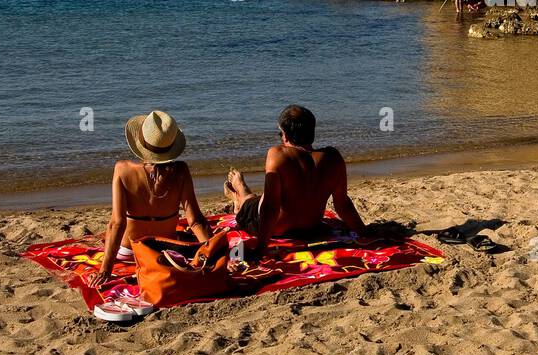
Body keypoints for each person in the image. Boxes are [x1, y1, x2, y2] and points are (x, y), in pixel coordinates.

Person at [89, 110, 210, 287]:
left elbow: (117, 223)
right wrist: (212, 252)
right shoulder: (181, 171)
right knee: (186, 235)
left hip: (129, 251)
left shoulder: (123, 170)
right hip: (165, 250)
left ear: (141, 144)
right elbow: (195, 220)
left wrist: (105, 270)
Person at [225, 105, 364, 254]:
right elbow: (343, 204)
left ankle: (240, 193)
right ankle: (240, 191)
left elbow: (270, 208)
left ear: (285, 135)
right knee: (264, 198)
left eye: (280, 133)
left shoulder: (278, 155)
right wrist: (363, 230)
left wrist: (261, 247)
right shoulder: (333, 158)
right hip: (311, 229)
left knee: (250, 202)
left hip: (277, 230)